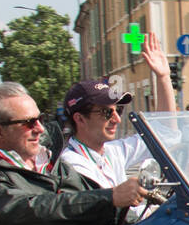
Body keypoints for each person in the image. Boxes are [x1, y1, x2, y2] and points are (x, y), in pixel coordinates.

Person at [0, 82, 147, 225]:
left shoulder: (50, 163)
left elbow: (85, 195)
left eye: (40, 119)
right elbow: (31, 211)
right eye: (28, 123)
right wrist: (109, 197)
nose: (40, 129)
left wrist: (143, 220)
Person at [58, 32, 177, 189]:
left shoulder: (111, 152)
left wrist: (163, 77)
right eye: (107, 113)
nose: (117, 119)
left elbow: (165, 135)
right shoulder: (71, 164)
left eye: (118, 111)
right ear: (80, 119)